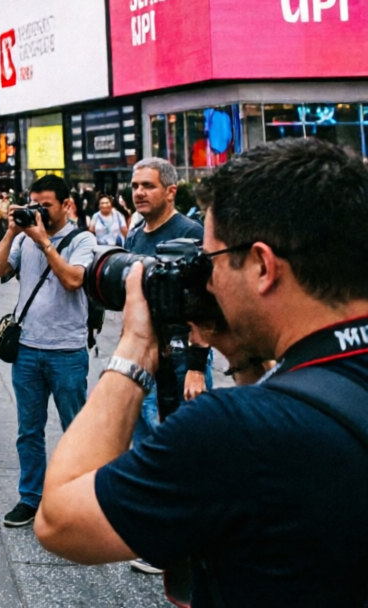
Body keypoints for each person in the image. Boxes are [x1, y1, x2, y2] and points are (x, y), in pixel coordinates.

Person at [35, 139, 368, 605]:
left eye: (208, 261)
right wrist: (245, 355)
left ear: (261, 266)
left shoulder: (237, 430)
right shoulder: (319, 390)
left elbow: (60, 519)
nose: (205, 281)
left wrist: (135, 346)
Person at [0, 175, 98, 528]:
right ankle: (30, 497)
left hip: (66, 351)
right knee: (28, 430)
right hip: (27, 351)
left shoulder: (82, 239)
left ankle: (79, 499)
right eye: (34, 204)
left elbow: (73, 280)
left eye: (45, 205)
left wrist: (44, 241)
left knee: (74, 429)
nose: (39, 211)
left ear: (66, 205)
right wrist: (11, 233)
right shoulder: (26, 238)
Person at [124, 158, 211, 460]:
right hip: (143, 356)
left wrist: (196, 367)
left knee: (190, 447)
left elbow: (204, 302)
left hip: (180, 359)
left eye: (148, 185)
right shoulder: (134, 235)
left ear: (171, 191)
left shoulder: (191, 233)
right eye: (135, 186)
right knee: (147, 445)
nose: (139, 192)